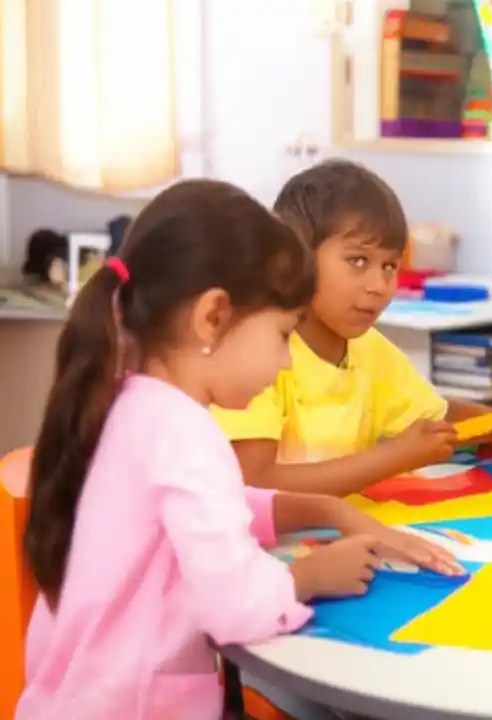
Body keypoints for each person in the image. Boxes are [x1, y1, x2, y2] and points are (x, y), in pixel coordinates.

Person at [17, 180, 462, 720]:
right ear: (212, 317)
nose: (286, 362)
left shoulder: (133, 403)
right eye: (281, 335)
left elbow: (200, 508)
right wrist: (311, 577)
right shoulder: (183, 431)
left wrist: (326, 511)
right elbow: (237, 607)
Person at [211, 160, 492, 497]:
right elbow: (254, 485)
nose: (379, 285)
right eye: (358, 261)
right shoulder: (258, 354)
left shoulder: (371, 350)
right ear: (296, 258)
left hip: (336, 529)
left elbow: (436, 415)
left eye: (390, 265)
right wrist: (394, 457)